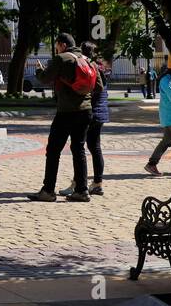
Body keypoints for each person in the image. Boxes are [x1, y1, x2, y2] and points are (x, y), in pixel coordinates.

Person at [27, 33, 95, 202]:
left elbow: (45, 78)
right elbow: (98, 85)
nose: (56, 49)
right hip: (86, 110)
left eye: (57, 45)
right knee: (78, 149)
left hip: (67, 111)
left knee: (53, 150)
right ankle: (82, 190)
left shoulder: (62, 59)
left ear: (63, 45)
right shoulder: (86, 59)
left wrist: (39, 70)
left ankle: (48, 190)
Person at [61, 41, 109, 196]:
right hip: (101, 113)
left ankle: (77, 183)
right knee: (95, 147)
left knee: (79, 148)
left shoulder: (88, 67)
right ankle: (97, 183)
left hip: (89, 111)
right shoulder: (100, 67)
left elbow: (91, 90)